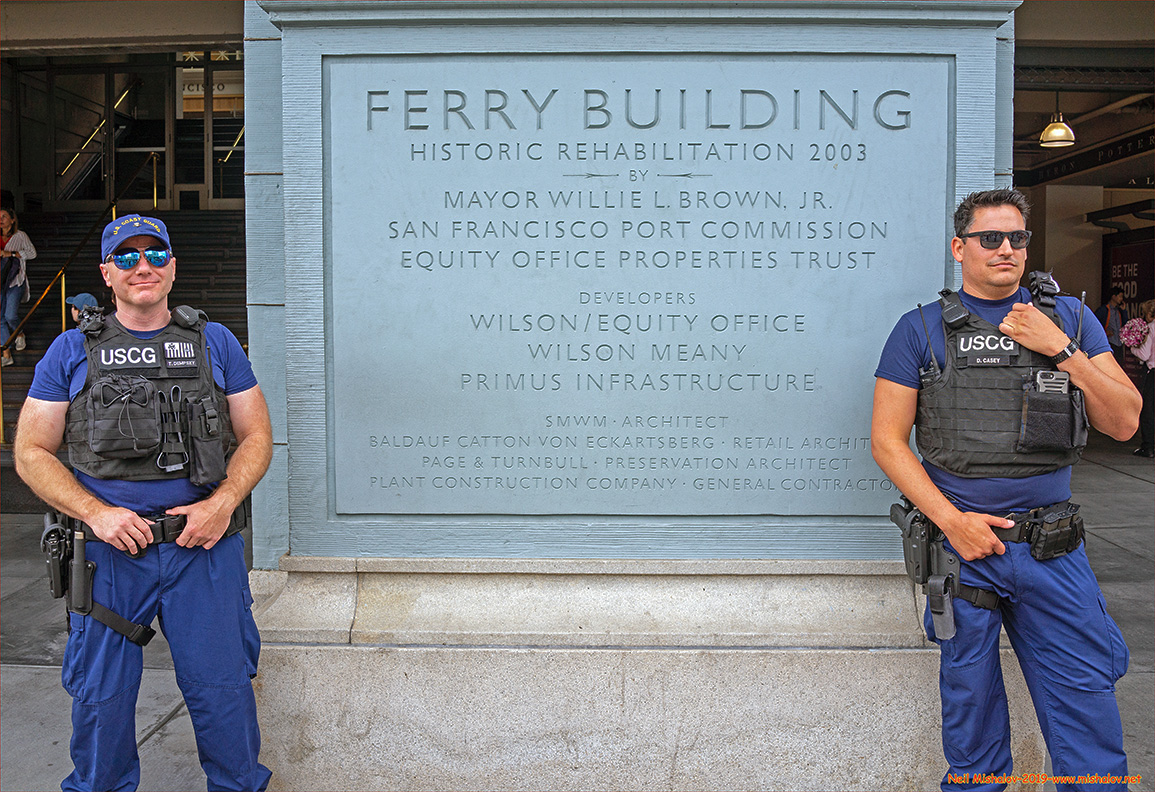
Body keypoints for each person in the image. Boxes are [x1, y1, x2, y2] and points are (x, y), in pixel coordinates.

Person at [871, 188, 1141, 790]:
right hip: (965, 552)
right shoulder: (919, 330)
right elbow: (888, 442)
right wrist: (950, 522)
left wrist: (1063, 351)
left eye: (1017, 238)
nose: (1006, 250)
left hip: (1052, 547)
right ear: (959, 248)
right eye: (990, 238)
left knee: (1086, 701)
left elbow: (1123, 421)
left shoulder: (1070, 318)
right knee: (971, 708)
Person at [14, 214, 273, 791]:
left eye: (155, 254)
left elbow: (256, 436)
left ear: (173, 265)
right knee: (100, 702)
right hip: (109, 553)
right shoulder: (69, 350)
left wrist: (223, 501)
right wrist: (96, 514)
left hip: (200, 547)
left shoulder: (215, 341)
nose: (143, 267)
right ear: (107, 272)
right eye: (126, 257)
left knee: (224, 692)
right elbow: (31, 450)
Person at [1, 206, 37, 365]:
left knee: (9, 315)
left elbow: (32, 253)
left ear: (12, 219)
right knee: (0, 318)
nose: (1, 220)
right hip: (0, 282)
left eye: (4, 216)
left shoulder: (20, 236)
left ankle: (19, 334)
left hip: (15, 281)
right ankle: (6, 353)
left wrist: (13, 254)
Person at [1127, 299, 1155, 457]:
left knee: (1148, 410)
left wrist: (1132, 347)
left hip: (1153, 373)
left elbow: (1144, 355)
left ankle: (1148, 446)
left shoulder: (1151, 328)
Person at [1095, 287, 1130, 367]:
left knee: (1119, 365)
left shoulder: (1120, 310)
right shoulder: (1103, 310)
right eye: (1120, 296)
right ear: (1113, 296)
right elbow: (1095, 324)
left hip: (1119, 343)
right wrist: (1104, 332)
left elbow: (1125, 324)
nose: (1121, 299)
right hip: (1109, 341)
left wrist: (1124, 311)